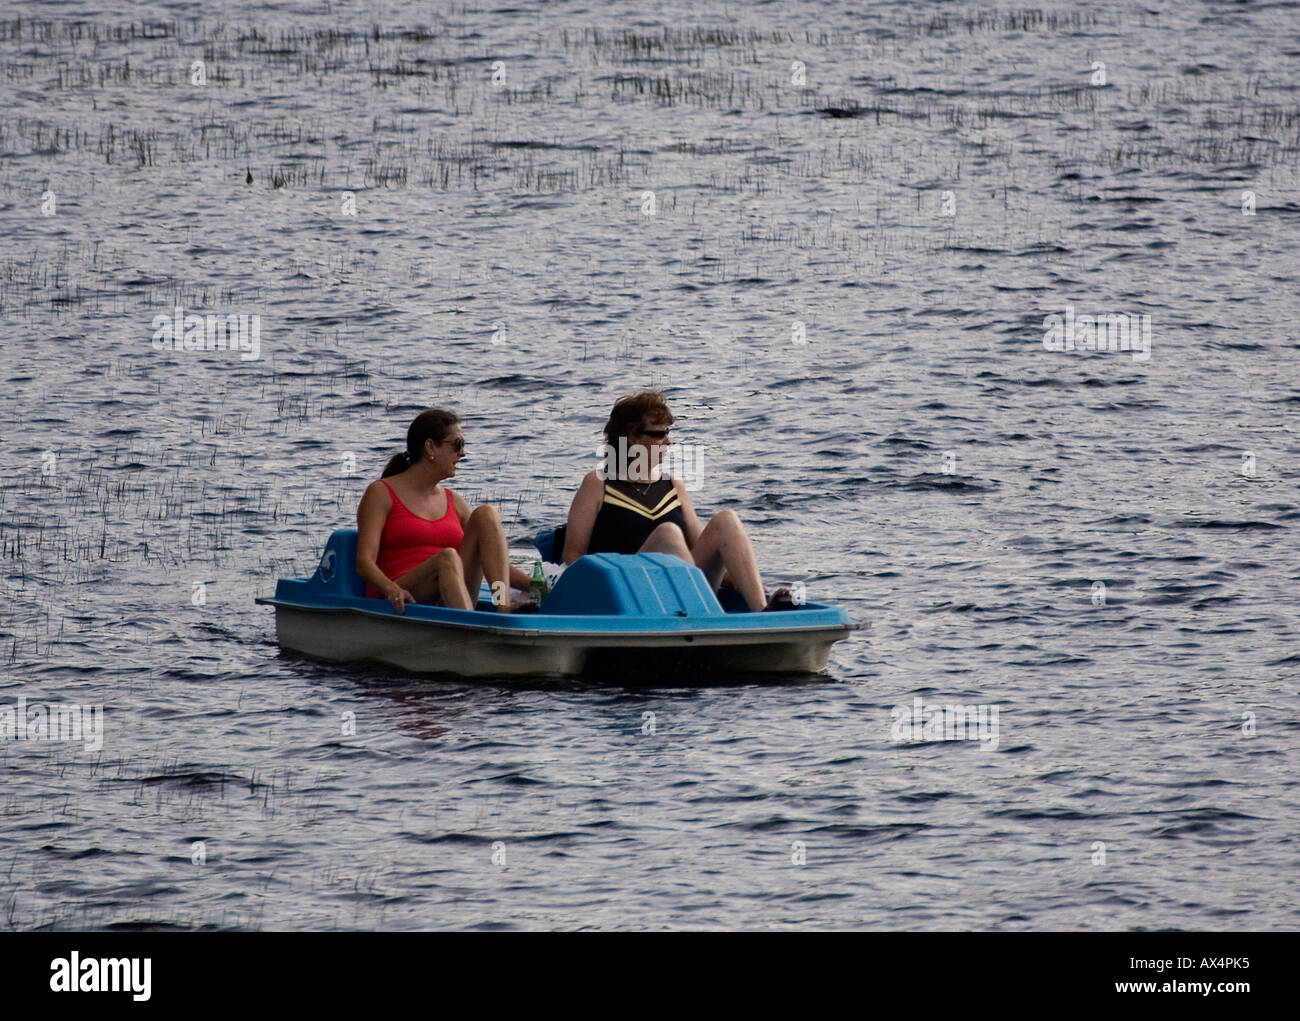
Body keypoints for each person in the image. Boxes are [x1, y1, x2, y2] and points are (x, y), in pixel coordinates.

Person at [561, 391, 794, 612]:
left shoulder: (673, 484)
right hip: (627, 590)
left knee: (727, 520)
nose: (668, 442)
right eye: (658, 435)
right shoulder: (597, 483)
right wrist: (612, 579)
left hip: (685, 586)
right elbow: (572, 556)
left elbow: (696, 553)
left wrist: (737, 583)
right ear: (632, 437)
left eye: (668, 433)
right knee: (668, 534)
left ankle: (760, 608)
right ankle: (707, 617)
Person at [356, 409, 533, 614]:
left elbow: (496, 564)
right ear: (430, 447)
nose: (463, 453)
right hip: (402, 593)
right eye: (457, 444)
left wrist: (537, 586)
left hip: (452, 589)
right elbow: (364, 562)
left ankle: (503, 607)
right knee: (447, 558)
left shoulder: (454, 501)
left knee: (487, 514)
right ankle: (469, 630)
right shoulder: (381, 492)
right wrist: (391, 589)